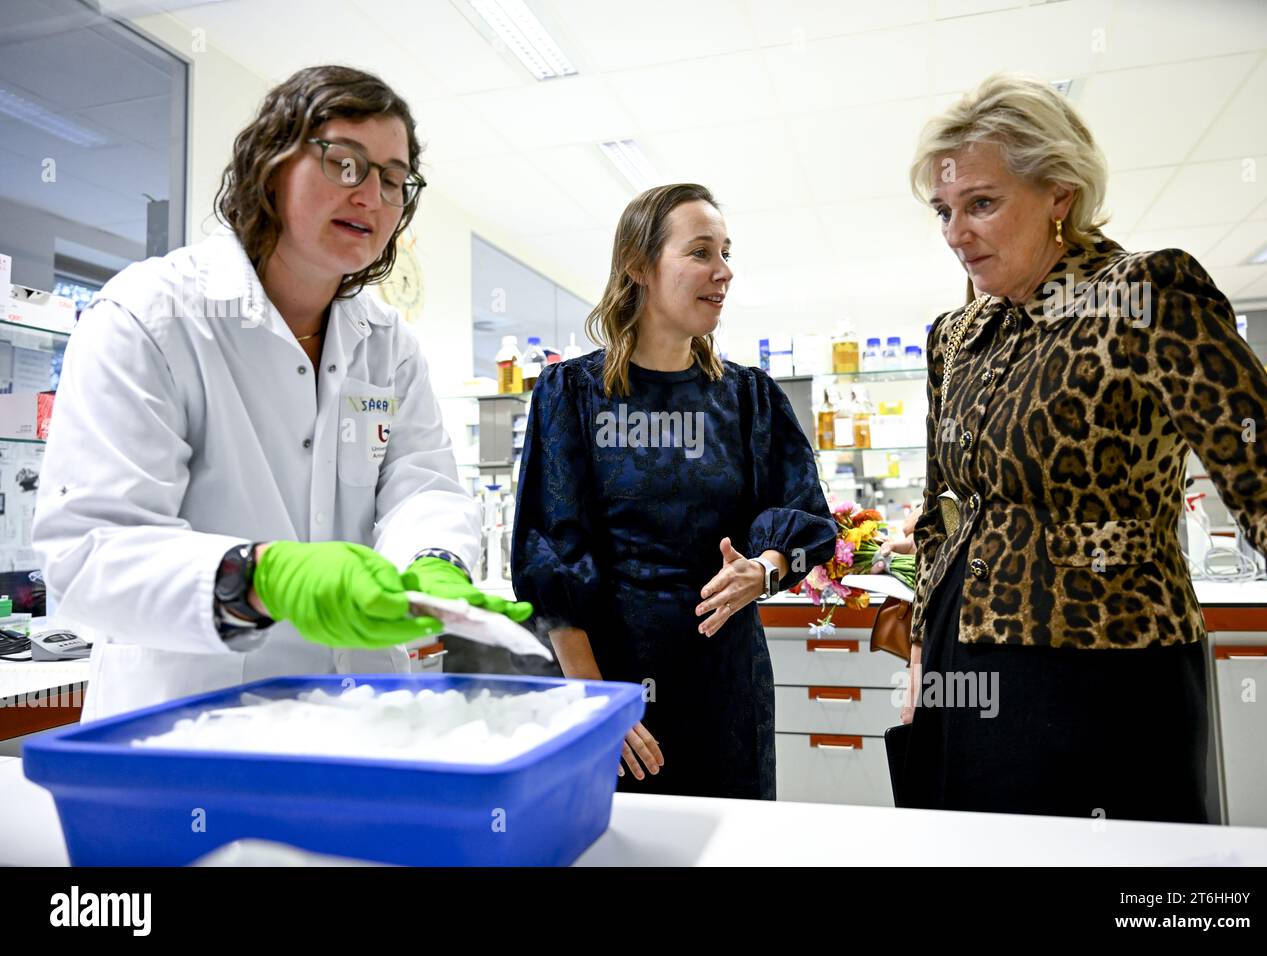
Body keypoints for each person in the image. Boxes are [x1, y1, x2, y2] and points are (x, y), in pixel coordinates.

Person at [32, 65, 528, 722]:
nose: (373, 197)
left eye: (393, 179)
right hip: (188, 726)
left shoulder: (388, 343)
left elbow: (423, 488)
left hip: (360, 717)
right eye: (346, 164)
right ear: (271, 164)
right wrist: (262, 577)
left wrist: (433, 565)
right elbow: (89, 553)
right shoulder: (149, 317)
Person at [900, 72, 1267, 822]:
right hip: (964, 662)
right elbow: (941, 512)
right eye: (944, 210)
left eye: (982, 203)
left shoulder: (1143, 297)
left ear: (1060, 192)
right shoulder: (958, 337)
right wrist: (925, 639)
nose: (957, 232)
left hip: (1104, 670)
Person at [511, 184, 836, 799]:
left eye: (727, 252)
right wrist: (595, 701)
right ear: (639, 266)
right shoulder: (571, 395)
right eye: (701, 253)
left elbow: (804, 515)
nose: (725, 271)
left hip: (727, 692)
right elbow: (550, 556)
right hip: (616, 693)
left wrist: (763, 571)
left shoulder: (748, 399)